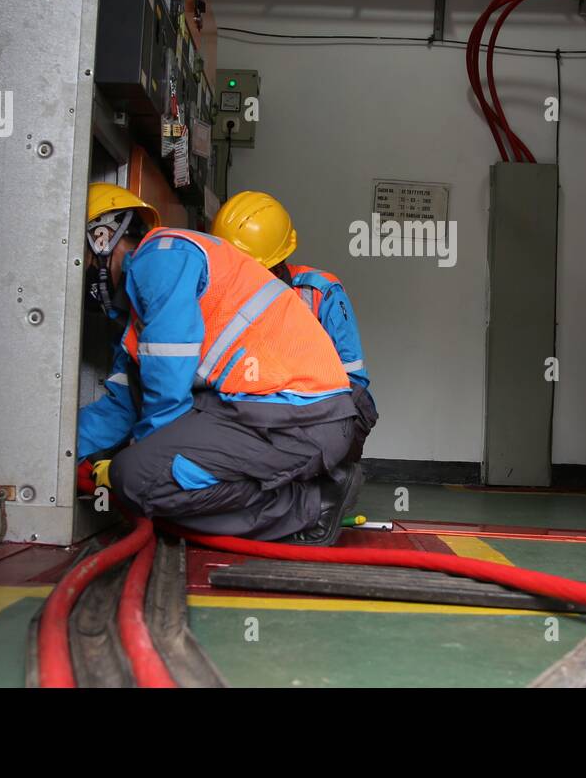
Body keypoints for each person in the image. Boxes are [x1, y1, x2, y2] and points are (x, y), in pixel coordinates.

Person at [76, 183, 362, 545]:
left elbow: (168, 373)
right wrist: (57, 453)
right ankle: (306, 491)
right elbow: (120, 406)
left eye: (77, 255)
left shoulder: (160, 256)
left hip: (296, 418)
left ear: (102, 238)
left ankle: (310, 505)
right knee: (139, 472)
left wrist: (144, 461)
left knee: (136, 478)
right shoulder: (140, 305)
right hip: (277, 416)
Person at [210, 191, 379, 464]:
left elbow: (353, 381)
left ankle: (328, 486)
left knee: (353, 408)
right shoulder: (216, 294)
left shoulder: (319, 291)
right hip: (250, 406)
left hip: (315, 405)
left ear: (278, 264)